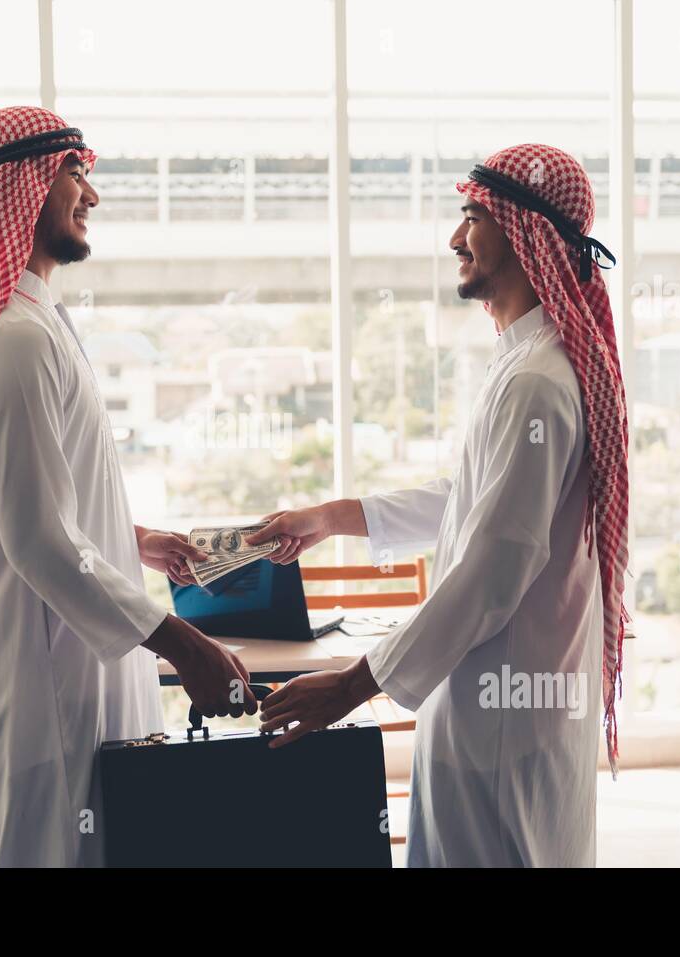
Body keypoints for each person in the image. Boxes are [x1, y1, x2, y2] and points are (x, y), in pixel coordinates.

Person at [243, 144, 631, 867]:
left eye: (474, 215)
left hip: (505, 731)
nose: (456, 238)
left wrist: (354, 686)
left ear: (525, 231)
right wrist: (330, 518)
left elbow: (492, 566)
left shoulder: (537, 382)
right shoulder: (527, 361)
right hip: (503, 713)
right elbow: (472, 502)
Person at [0, 106, 255, 867]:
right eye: (76, 171)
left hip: (68, 672)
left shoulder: (32, 322)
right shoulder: (14, 338)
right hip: (47, 689)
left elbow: (33, 494)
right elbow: (38, 540)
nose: (92, 194)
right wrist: (183, 642)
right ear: (26, 184)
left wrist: (132, 540)